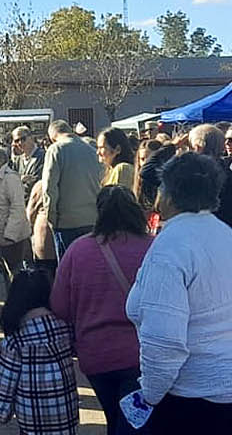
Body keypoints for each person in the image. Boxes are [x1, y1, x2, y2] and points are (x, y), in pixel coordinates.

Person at [125, 152, 232, 433]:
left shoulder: (169, 248)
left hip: (197, 394)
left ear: (168, 195)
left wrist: (149, 395)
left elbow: (164, 341)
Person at [50, 186, 153, 435]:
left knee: (114, 415)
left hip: (96, 355)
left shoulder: (78, 250)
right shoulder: (154, 247)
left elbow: (60, 306)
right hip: (141, 354)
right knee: (133, 423)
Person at [0, 268, 79, 435]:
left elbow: (4, 395)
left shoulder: (14, 343)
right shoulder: (65, 329)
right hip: (67, 419)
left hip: (32, 424)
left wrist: (2, 412)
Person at [41, 119, 103, 259]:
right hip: (92, 220)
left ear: (52, 137)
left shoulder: (56, 149)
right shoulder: (92, 151)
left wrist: (52, 219)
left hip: (67, 222)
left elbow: (49, 189)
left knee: (68, 270)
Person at [0, 145, 31, 285]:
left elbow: (18, 208)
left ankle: (18, 305)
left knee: (15, 276)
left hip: (11, 240)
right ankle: (10, 304)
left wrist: (10, 235)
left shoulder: (10, 178)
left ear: (0, 160)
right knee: (5, 276)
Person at [96, 128, 137, 193]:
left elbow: (120, 200)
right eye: (97, 148)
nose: (98, 152)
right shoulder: (111, 170)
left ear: (117, 149)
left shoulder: (123, 169)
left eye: (102, 148)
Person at [10, 126, 47, 195]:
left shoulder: (43, 156)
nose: (20, 143)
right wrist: (21, 179)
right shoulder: (17, 160)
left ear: (31, 138)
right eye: (17, 141)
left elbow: (37, 181)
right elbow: (11, 182)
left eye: (23, 139)